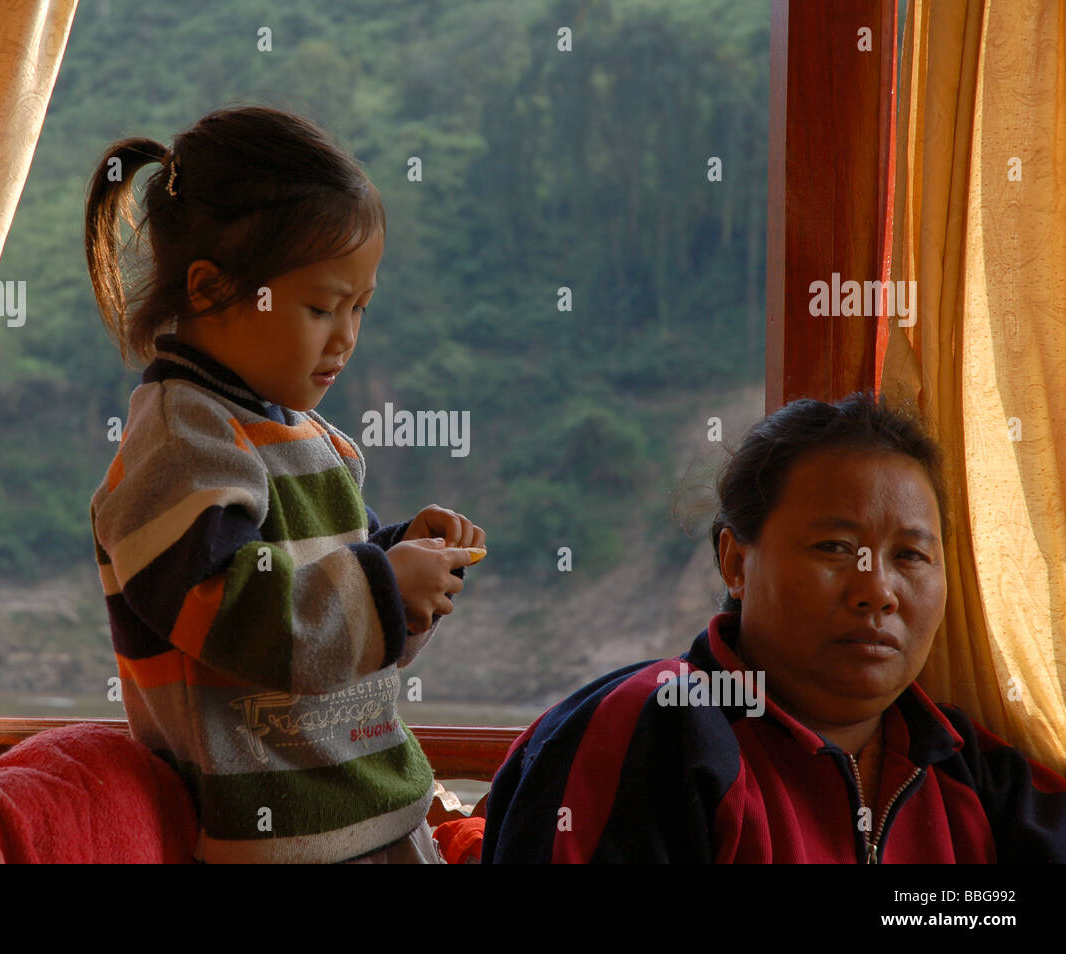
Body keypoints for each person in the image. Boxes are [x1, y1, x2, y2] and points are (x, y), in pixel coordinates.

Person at [85, 105, 486, 863]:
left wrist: (408, 555)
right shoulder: (180, 442)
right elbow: (231, 616)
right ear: (208, 291)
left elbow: (345, 624)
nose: (346, 336)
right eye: (320, 307)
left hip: (379, 813)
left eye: (359, 308)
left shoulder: (310, 437)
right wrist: (385, 586)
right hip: (278, 839)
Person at [481, 391, 1066, 862]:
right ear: (736, 561)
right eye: (835, 547)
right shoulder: (656, 731)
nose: (878, 591)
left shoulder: (973, 775)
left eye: (911, 556)